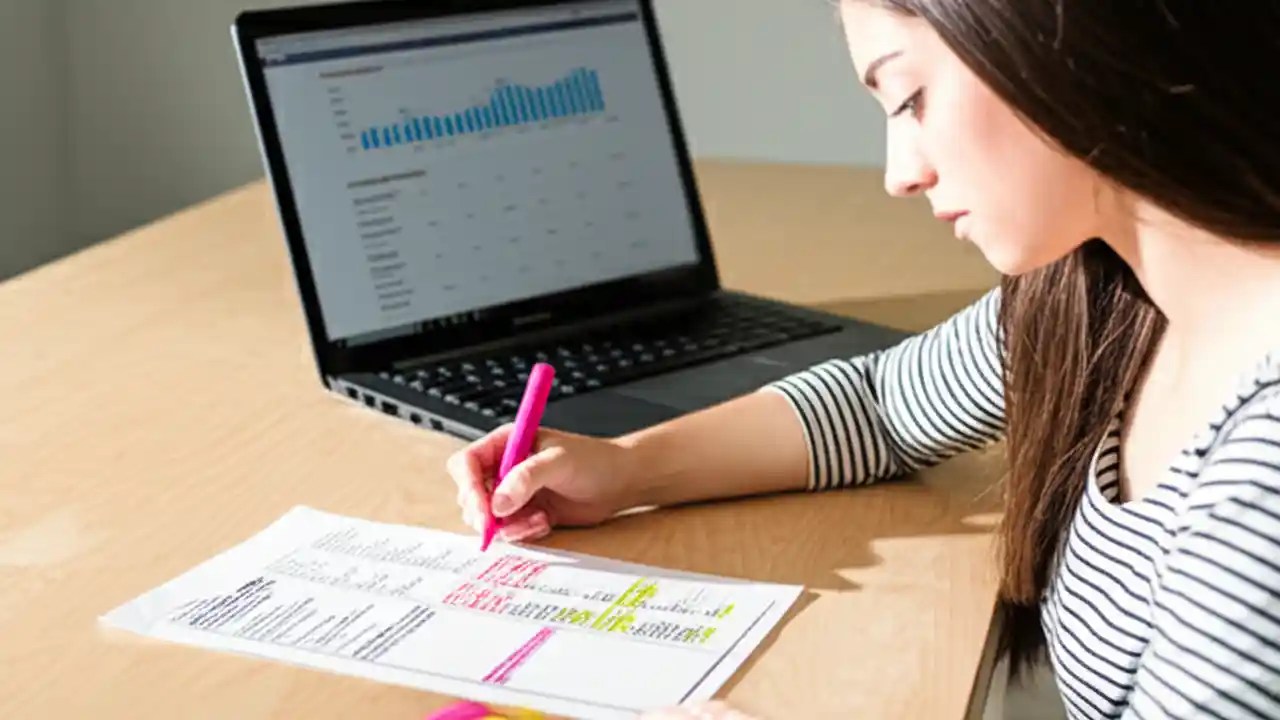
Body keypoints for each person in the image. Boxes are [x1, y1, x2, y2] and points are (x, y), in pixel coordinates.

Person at [447, 1, 1280, 717]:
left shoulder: (1260, 471)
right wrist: (629, 468)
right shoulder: (1107, 292)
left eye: (910, 97)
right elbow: (881, 405)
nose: (899, 174)